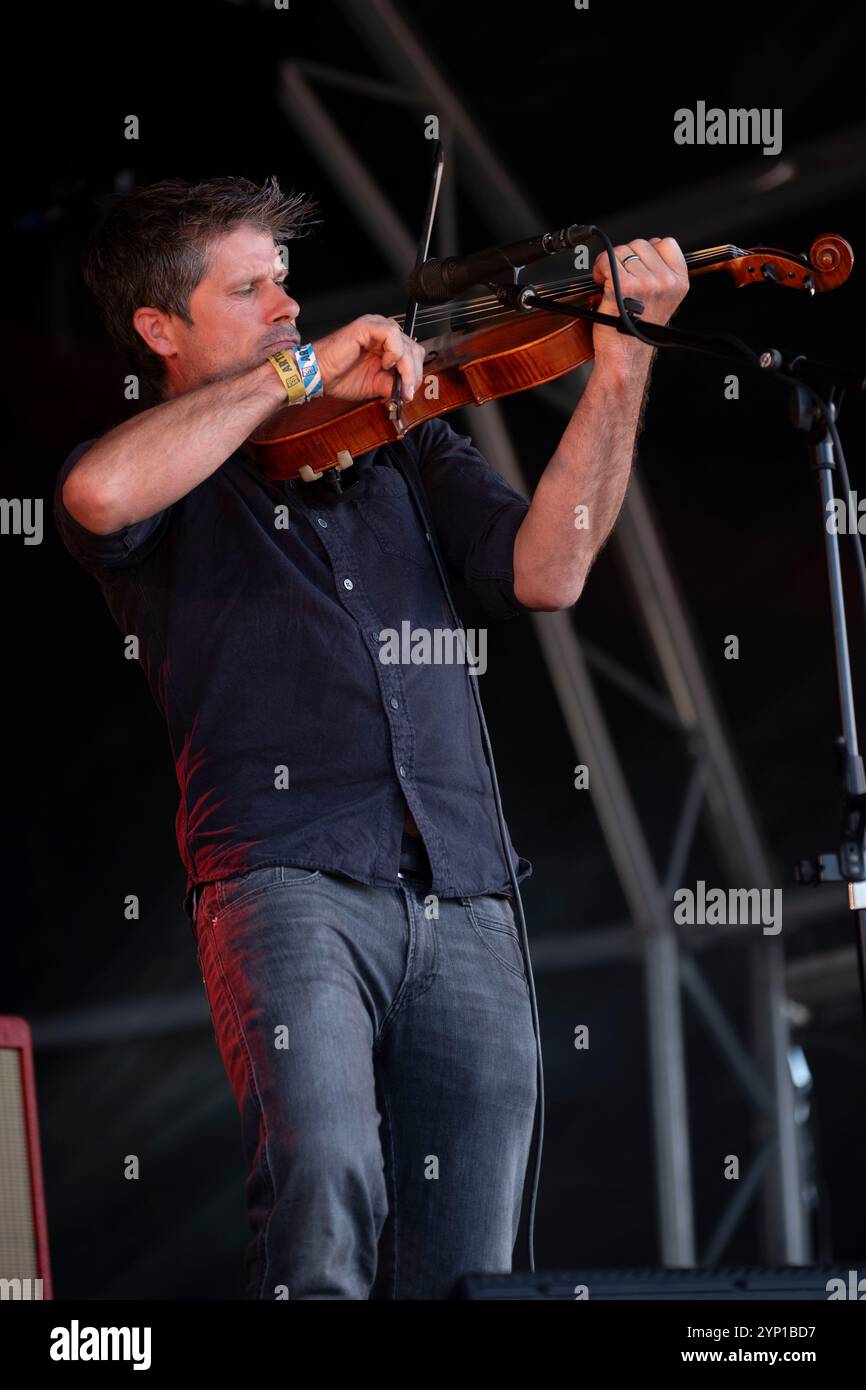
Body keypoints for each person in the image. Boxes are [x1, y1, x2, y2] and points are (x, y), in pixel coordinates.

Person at [54, 175, 688, 1299]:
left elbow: (549, 569)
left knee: (471, 1258)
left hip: (464, 885)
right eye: (248, 291)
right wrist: (295, 373)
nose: (287, 309)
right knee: (324, 1200)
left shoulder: (397, 439)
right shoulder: (167, 470)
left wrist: (621, 364)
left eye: (286, 285)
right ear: (160, 328)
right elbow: (98, 492)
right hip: (284, 877)